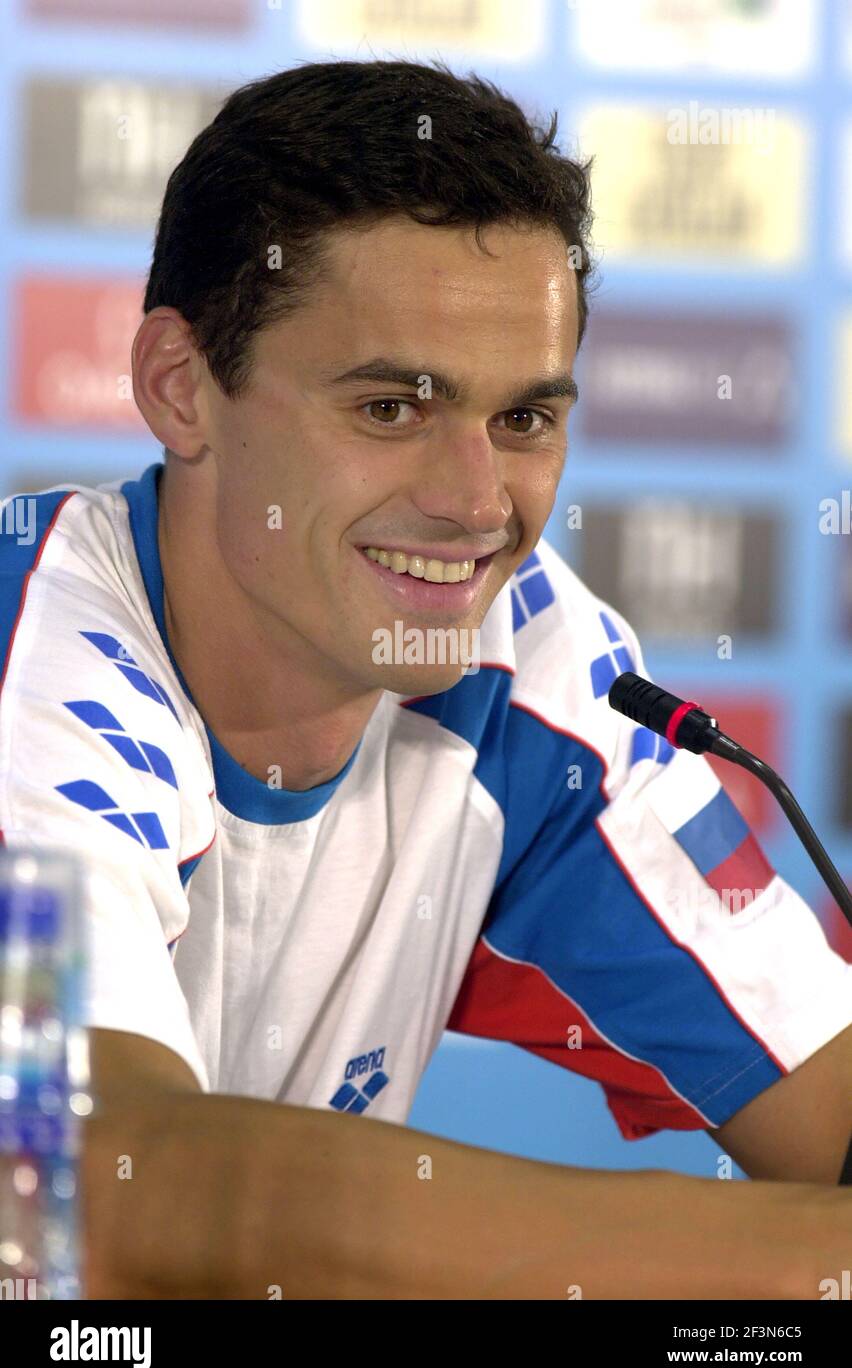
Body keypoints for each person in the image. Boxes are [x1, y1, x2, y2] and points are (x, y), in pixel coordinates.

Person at [1, 59, 850, 1299]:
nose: (476, 506)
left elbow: (830, 1107)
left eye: (525, 421)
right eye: (394, 407)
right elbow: (84, 1187)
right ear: (181, 388)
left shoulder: (542, 669)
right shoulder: (38, 656)